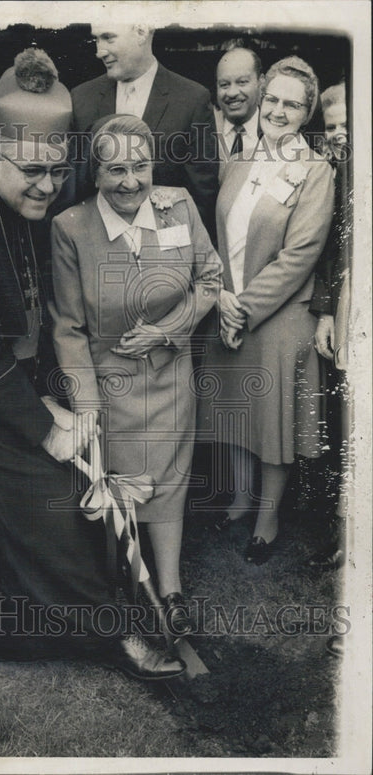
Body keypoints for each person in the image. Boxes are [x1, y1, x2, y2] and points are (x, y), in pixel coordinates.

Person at [0, 49, 185, 681]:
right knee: (42, 503)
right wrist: (42, 418)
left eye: (57, 171)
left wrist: (43, 398)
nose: (47, 187)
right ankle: (115, 634)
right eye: (32, 172)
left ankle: (96, 620)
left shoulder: (10, 202)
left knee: (45, 502)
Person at [50, 115, 222, 636]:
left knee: (168, 481)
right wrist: (87, 404)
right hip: (109, 386)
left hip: (171, 378)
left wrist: (167, 331)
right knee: (123, 487)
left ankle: (168, 590)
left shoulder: (178, 206)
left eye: (141, 166)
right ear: (96, 173)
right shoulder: (70, 228)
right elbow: (68, 327)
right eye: (116, 169)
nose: (131, 182)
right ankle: (124, 593)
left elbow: (209, 279)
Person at [196, 56, 335, 564]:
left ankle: (267, 518)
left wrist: (243, 309)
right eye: (272, 99)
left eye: (292, 104)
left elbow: (300, 255)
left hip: (279, 317)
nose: (278, 110)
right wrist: (221, 298)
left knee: (274, 425)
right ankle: (236, 500)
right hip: (229, 306)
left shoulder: (315, 170)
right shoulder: (241, 158)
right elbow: (217, 237)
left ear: (307, 112)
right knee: (233, 413)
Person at [71, 24, 219, 238]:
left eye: (109, 38)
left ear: (142, 33)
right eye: (96, 40)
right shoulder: (81, 98)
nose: (99, 51)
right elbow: (76, 190)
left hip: (166, 251)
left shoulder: (192, 99)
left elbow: (201, 197)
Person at [308, 81, 351, 575]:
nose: (338, 136)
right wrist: (324, 311)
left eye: (347, 126)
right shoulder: (336, 176)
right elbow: (328, 251)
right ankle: (345, 536)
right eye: (331, 127)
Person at [214, 47, 263, 180]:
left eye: (242, 82)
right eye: (224, 84)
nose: (232, 93)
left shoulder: (274, 129)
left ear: (260, 83)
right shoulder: (205, 127)